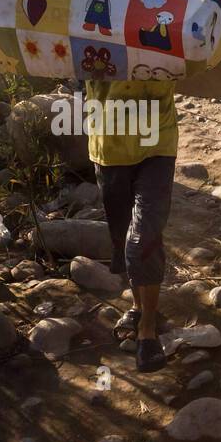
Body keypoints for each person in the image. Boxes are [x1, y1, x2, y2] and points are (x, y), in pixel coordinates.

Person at [84, 77, 178, 372]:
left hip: (157, 141)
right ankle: (138, 307)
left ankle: (148, 330)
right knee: (122, 235)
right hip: (108, 144)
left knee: (144, 235)